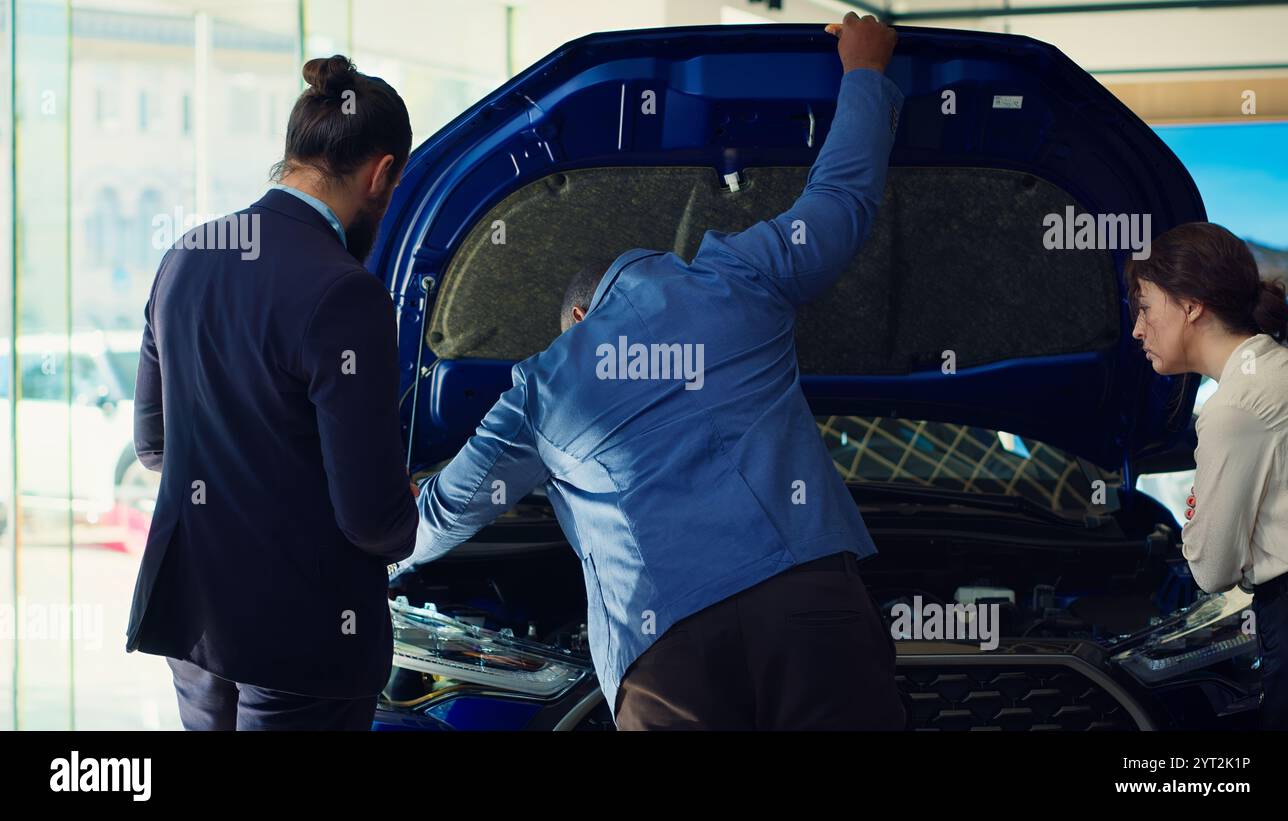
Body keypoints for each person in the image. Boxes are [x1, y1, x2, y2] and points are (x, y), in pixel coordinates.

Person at [391, 13, 907, 730]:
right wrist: (864, 74)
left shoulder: (544, 383)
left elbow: (450, 511)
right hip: (811, 608)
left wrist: (365, 562)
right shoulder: (741, 275)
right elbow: (841, 200)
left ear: (577, 317)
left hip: (668, 649)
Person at [126, 55, 418, 730]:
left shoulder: (186, 256)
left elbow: (153, 443)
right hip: (304, 634)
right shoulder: (346, 291)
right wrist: (418, 512)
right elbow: (369, 519)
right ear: (380, 175)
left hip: (195, 620)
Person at [1128, 221, 1288, 730]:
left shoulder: (1235, 408)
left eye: (1144, 307)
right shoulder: (1285, 374)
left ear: (1191, 305)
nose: (1137, 330)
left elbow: (1211, 568)